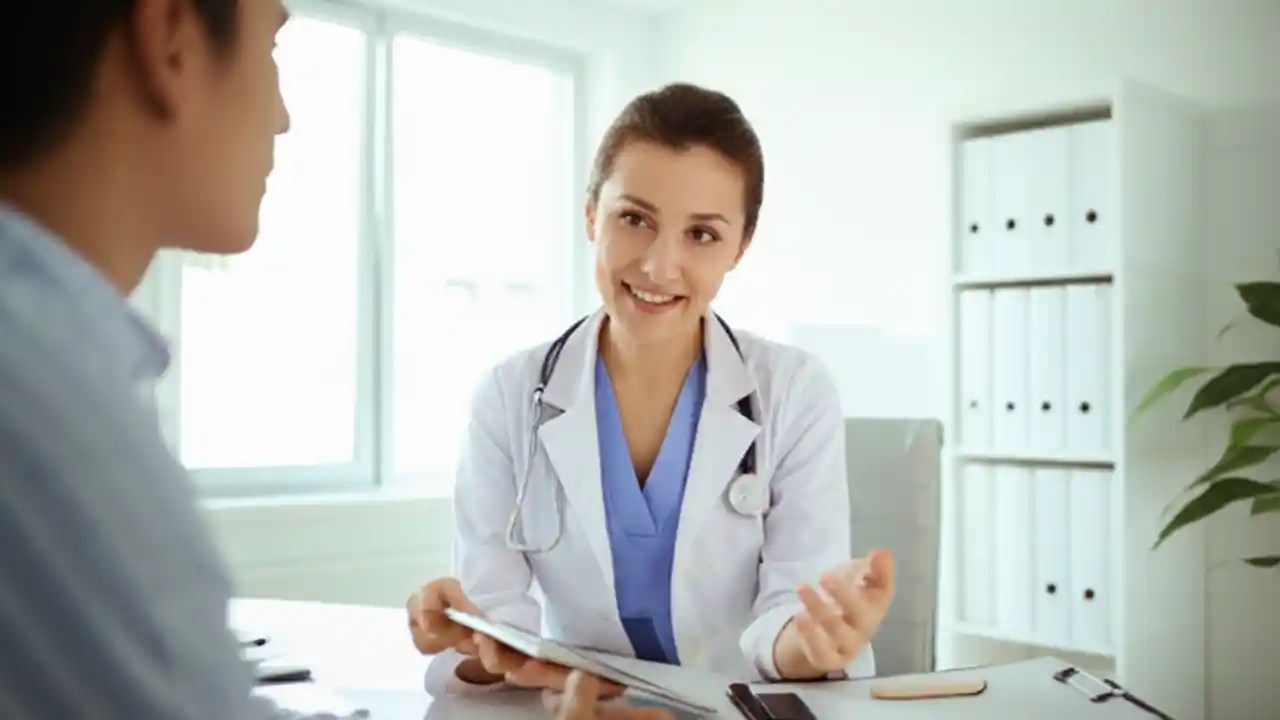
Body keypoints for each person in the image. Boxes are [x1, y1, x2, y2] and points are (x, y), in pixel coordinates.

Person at [407, 83, 896, 695]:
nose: (659, 267)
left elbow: (792, 619)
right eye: (634, 219)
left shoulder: (795, 392)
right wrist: (475, 641)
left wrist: (810, 642)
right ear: (591, 214)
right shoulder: (509, 397)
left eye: (703, 235)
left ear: (740, 247)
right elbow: (494, 624)